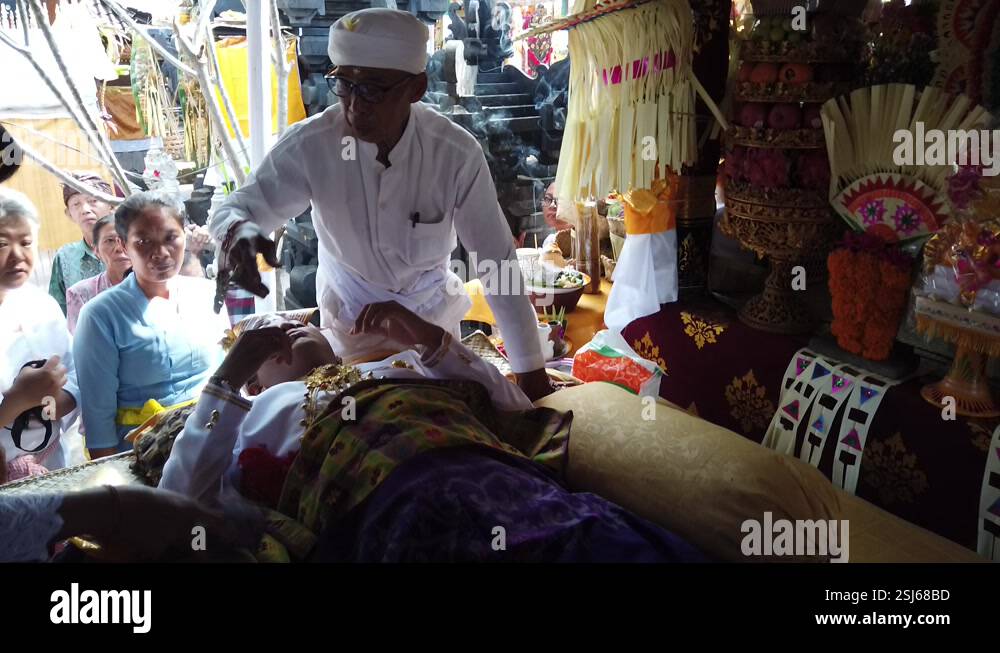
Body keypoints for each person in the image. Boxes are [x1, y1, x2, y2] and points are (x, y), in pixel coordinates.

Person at [160, 301, 704, 562]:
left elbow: (510, 406)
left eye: (294, 325)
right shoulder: (250, 418)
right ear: (254, 380)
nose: (283, 334)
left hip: (490, 473)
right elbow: (178, 503)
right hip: (393, 508)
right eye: (262, 344)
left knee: (593, 541)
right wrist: (228, 376)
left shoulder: (394, 365)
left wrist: (427, 338)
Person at [210, 7, 553, 402]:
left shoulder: (454, 153)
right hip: (347, 347)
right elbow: (234, 209)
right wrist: (240, 233)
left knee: (442, 432)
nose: (356, 105)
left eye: (374, 89)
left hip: (432, 343)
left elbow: (497, 265)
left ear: (416, 88)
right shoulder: (314, 143)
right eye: (345, 85)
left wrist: (531, 373)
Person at [74, 191, 230, 459]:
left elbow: (226, 376)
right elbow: (98, 419)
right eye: (144, 241)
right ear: (123, 246)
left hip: (214, 443)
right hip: (143, 457)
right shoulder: (100, 316)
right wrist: (115, 488)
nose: (160, 253)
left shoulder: (208, 296)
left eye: (171, 238)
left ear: (185, 235)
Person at [0, 189, 82, 481]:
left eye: (26, 242)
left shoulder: (42, 305)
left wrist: (60, 400)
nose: (17, 255)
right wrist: (17, 401)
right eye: (2, 243)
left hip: (51, 463)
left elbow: (73, 370)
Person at [49, 173, 115, 314]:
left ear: (112, 205)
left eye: (92, 200)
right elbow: (58, 311)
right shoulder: (64, 257)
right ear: (69, 213)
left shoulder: (130, 248)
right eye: (76, 204)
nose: (85, 210)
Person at [65, 215, 131, 333]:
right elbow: (79, 345)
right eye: (110, 241)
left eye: (125, 239)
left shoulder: (157, 288)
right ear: (96, 250)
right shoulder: (80, 293)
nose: (119, 248)